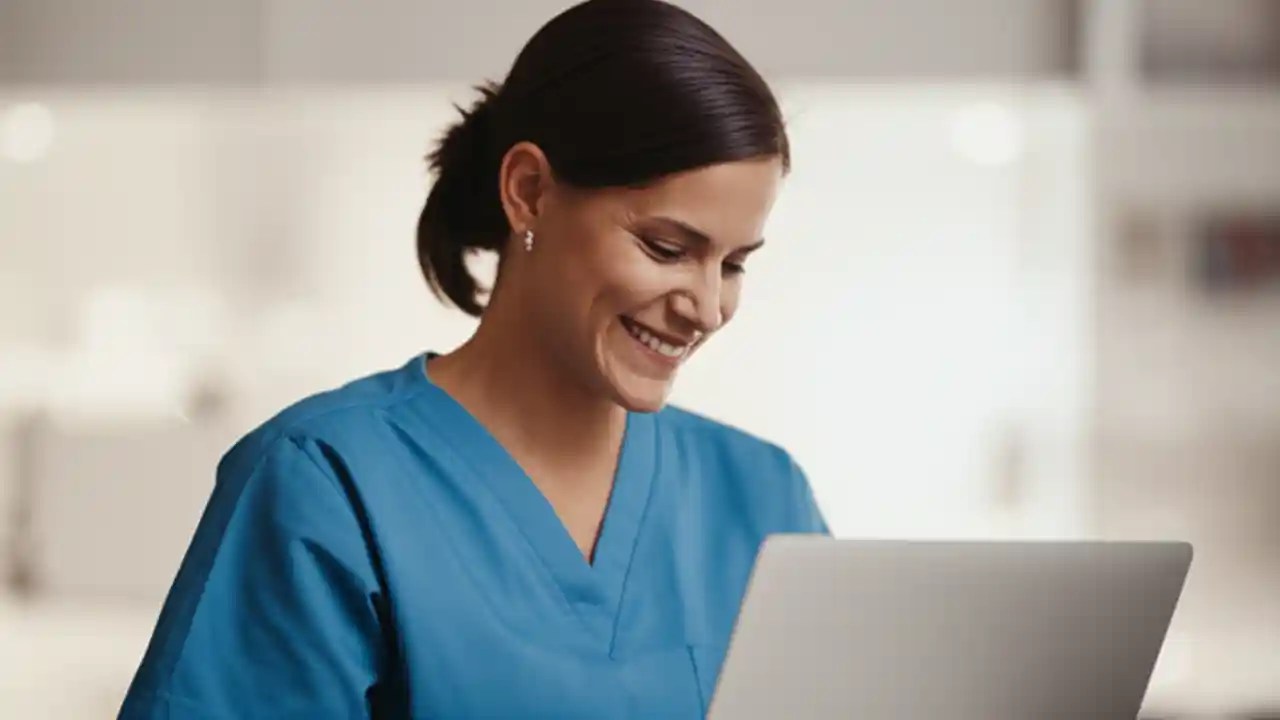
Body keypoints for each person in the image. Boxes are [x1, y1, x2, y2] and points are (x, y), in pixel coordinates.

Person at [118, 0, 827, 717]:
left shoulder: (765, 497)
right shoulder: (325, 483)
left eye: (733, 264)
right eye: (667, 250)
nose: (706, 308)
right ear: (529, 194)